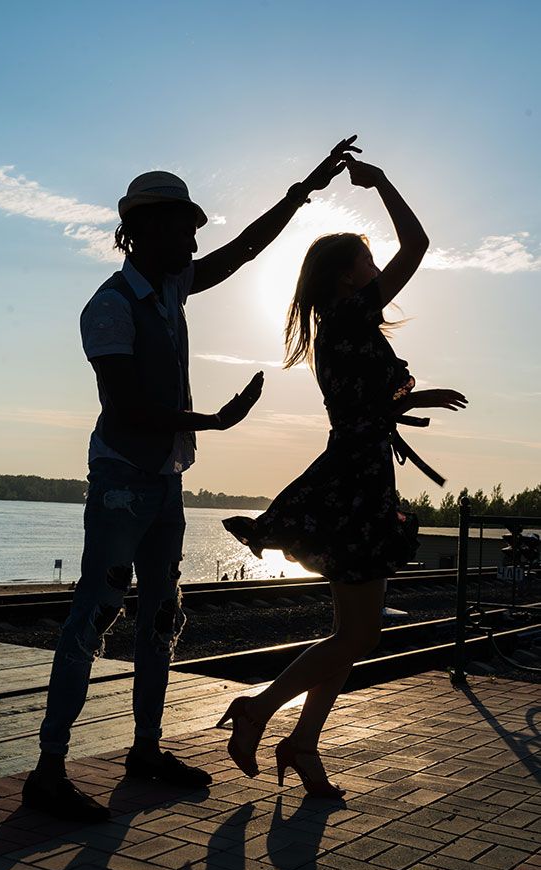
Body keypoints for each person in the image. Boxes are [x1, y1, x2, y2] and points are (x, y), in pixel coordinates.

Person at [23, 137, 361, 821]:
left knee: (160, 620)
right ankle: (48, 769)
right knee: (92, 617)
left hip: (165, 481)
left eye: (193, 227)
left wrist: (303, 189)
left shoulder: (171, 285)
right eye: (180, 226)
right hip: (121, 482)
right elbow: (127, 408)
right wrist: (214, 419)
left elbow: (242, 253)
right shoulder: (110, 307)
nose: (191, 236)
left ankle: (143, 750)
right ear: (139, 230)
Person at [219, 155, 468, 798]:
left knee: (352, 631)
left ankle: (303, 743)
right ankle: (261, 708)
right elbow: (417, 244)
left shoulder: (341, 329)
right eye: (363, 258)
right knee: (361, 631)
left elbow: (360, 406)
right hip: (356, 480)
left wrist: (414, 399)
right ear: (341, 279)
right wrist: (381, 183)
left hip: (358, 472)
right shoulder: (351, 317)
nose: (374, 266)